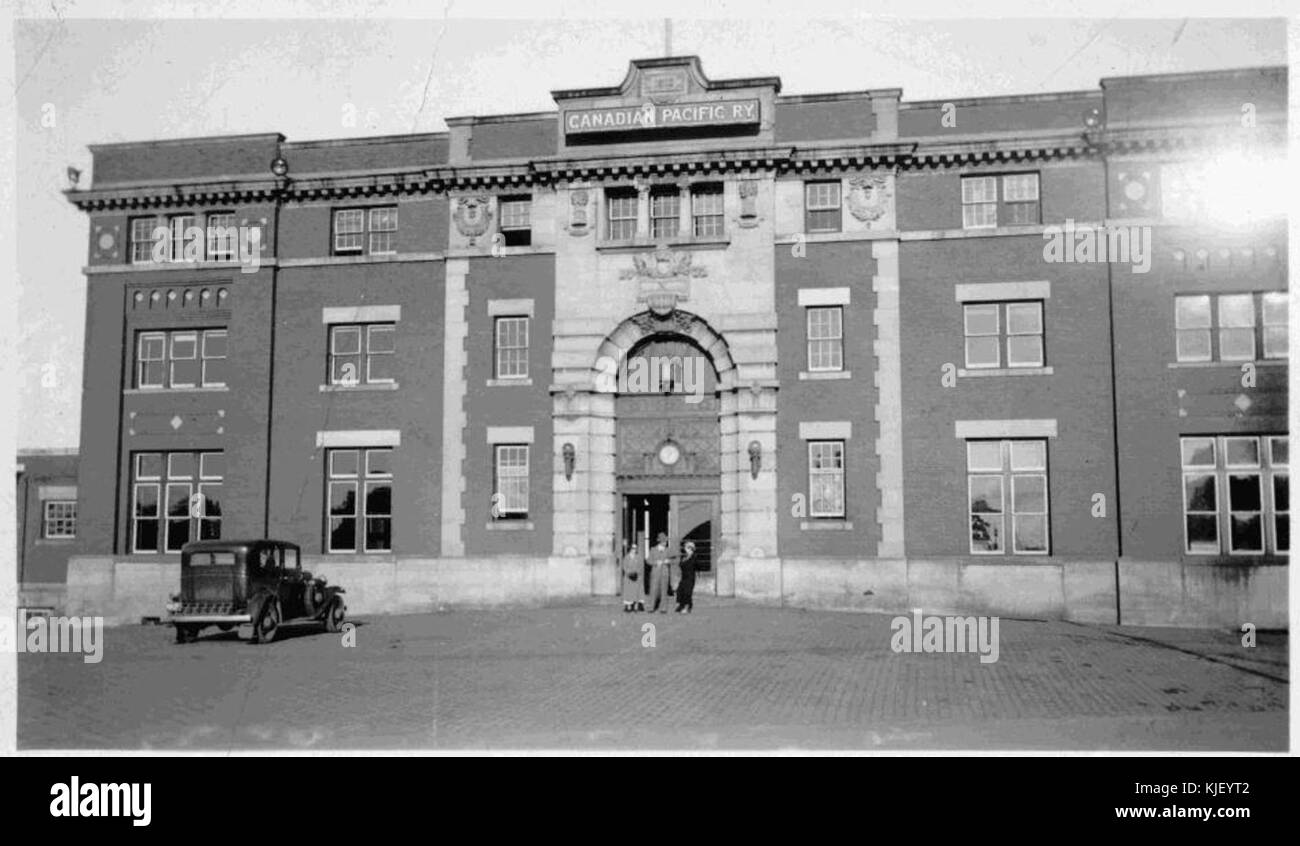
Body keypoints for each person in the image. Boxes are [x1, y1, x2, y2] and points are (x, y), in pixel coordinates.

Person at [646, 532, 673, 613]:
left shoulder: (668, 550)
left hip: (665, 573)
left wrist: (668, 561)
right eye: (664, 541)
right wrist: (655, 562)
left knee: (664, 590)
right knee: (653, 590)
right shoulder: (653, 549)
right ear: (660, 541)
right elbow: (648, 561)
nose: (665, 542)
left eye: (666, 541)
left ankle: (663, 608)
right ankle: (651, 607)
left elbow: (675, 559)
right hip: (655, 573)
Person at [621, 536, 644, 613]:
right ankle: (627, 606)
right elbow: (624, 566)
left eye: (635, 548)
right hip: (628, 577)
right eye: (633, 548)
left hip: (635, 577)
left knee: (635, 592)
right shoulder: (626, 557)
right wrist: (628, 572)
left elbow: (641, 566)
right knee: (628, 592)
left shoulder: (638, 557)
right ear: (630, 549)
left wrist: (636, 572)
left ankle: (634, 606)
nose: (634, 550)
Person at [675, 540, 697, 613]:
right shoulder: (684, 557)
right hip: (684, 576)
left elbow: (692, 565)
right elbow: (681, 565)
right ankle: (681, 605)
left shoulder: (694, 557)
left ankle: (687, 607)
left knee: (687, 592)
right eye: (685, 548)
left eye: (687, 548)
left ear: (691, 549)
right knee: (680, 590)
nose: (685, 549)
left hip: (690, 577)